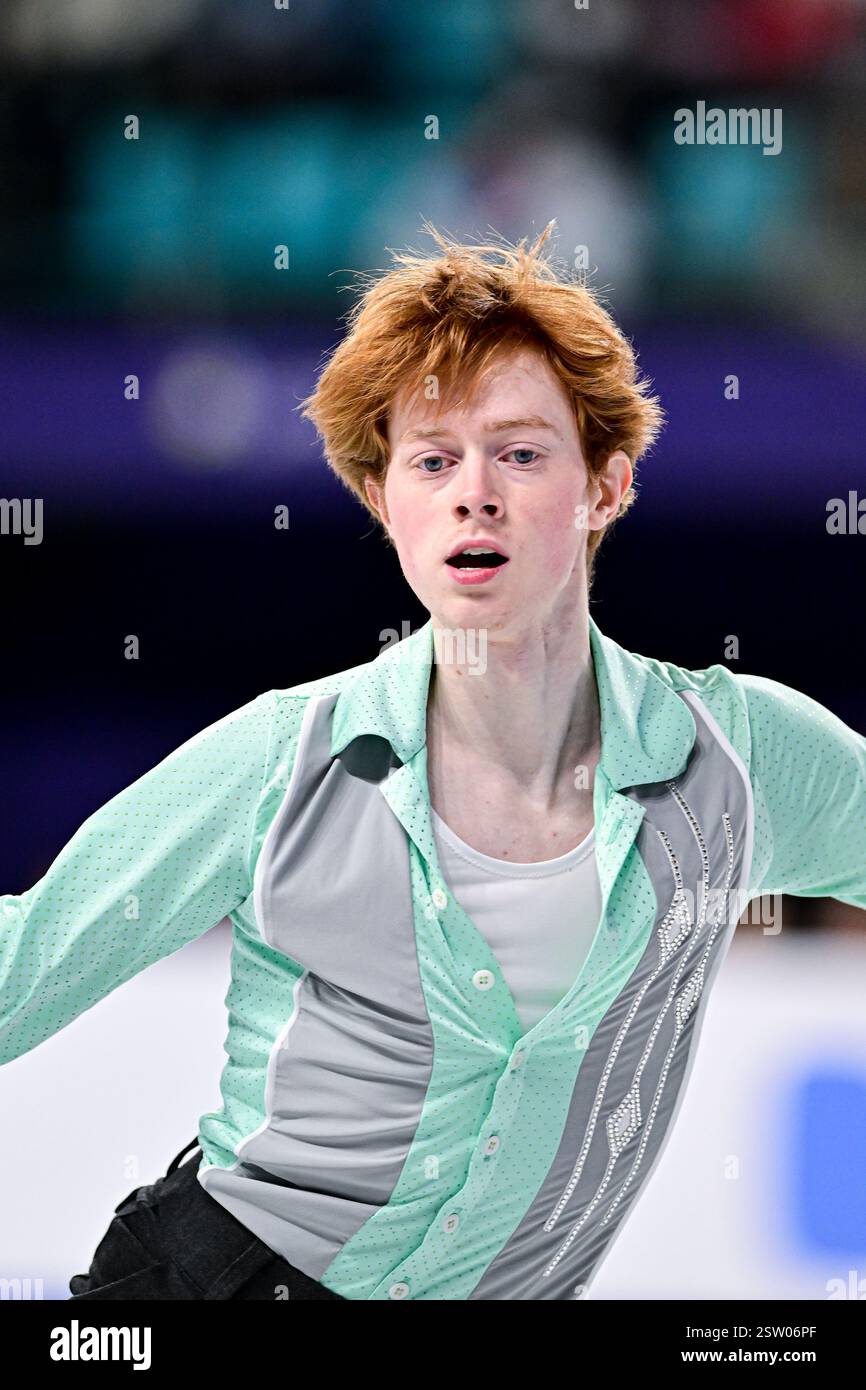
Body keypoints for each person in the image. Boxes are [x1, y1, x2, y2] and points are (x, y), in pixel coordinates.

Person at [3, 223, 865, 1300]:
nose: (473, 492)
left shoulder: (731, 760)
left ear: (606, 486)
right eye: (431, 459)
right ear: (384, 502)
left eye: (518, 451)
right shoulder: (288, 759)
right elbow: (22, 961)